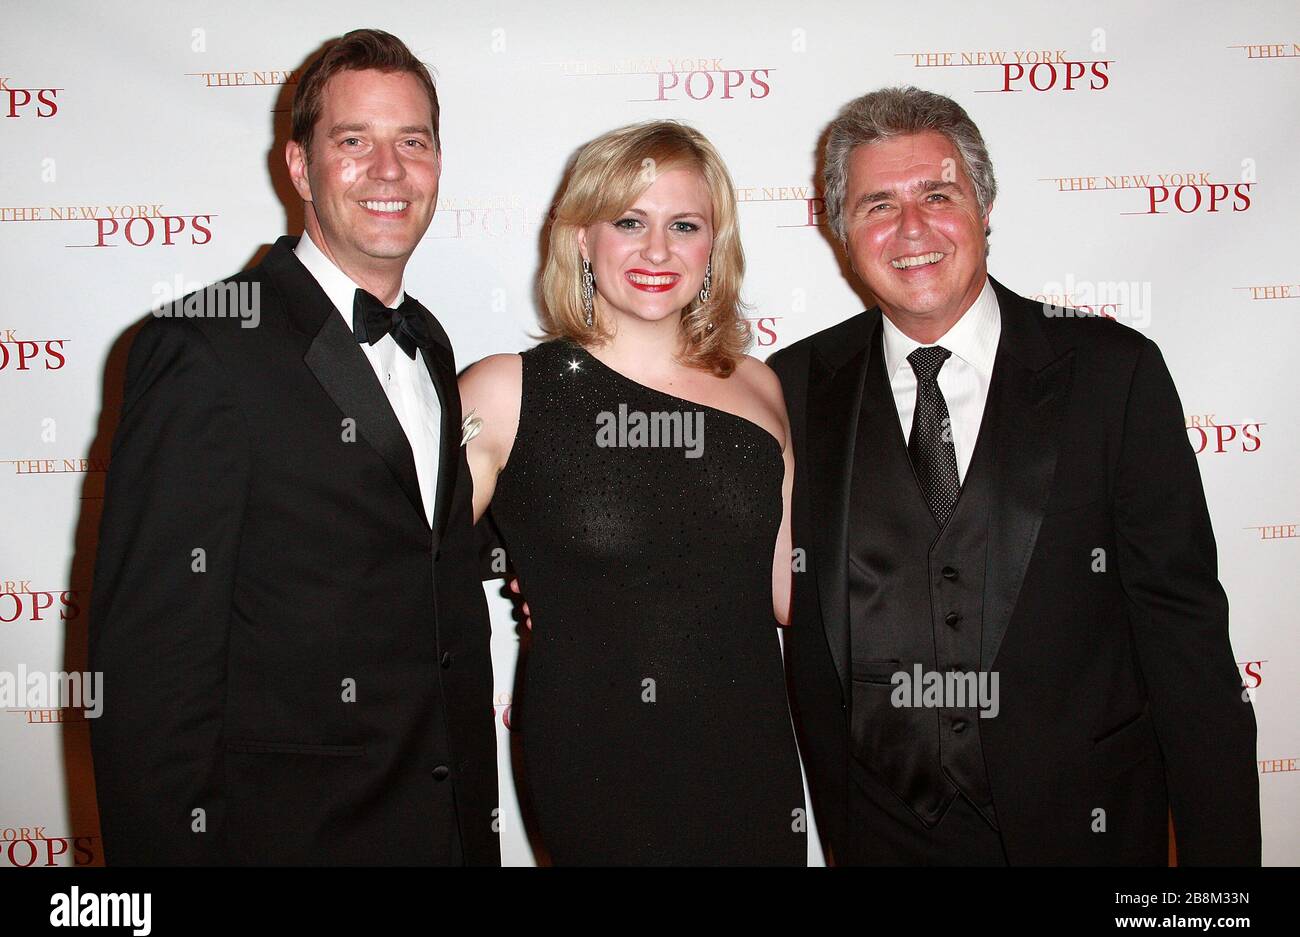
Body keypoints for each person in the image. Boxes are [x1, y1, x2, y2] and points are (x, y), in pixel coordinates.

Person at [768, 86, 1260, 865]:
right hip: (881, 834)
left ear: (985, 206)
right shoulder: (789, 386)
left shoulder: (1111, 371)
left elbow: (1186, 638)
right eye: (877, 206)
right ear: (840, 231)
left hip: (1090, 827)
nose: (913, 230)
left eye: (938, 194)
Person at [89, 29, 499, 865]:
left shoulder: (431, 341)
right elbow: (150, 672)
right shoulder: (203, 344)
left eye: (412, 142)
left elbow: (411, 558)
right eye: (354, 142)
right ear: (301, 167)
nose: (389, 170)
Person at [460, 121, 806, 865]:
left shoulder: (759, 387)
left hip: (752, 758)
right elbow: (396, 564)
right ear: (582, 238)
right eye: (629, 222)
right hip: (597, 764)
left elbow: (790, 590)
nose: (657, 250)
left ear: (714, 245)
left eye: (684, 225)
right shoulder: (506, 392)